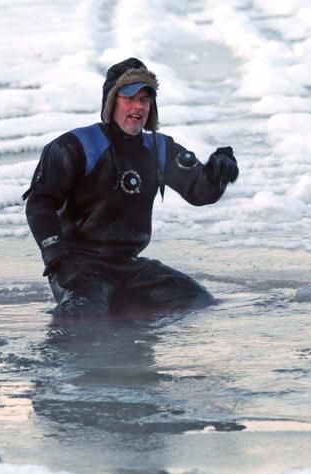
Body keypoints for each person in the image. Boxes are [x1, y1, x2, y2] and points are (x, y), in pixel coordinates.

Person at [23, 57, 238, 317]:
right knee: (87, 317)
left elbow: (199, 191)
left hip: (128, 266)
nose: (138, 107)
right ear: (111, 102)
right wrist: (57, 257)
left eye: (145, 100)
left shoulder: (158, 148)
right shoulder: (75, 146)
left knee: (197, 300)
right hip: (78, 264)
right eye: (129, 98)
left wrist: (217, 172)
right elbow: (40, 202)